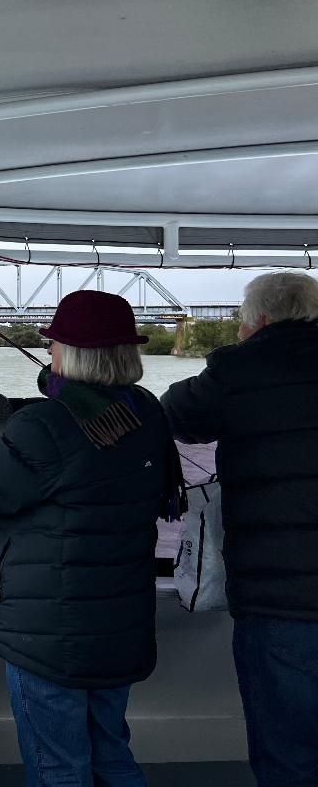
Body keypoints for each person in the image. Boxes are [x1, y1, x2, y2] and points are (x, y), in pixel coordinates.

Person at [0, 290, 182, 787]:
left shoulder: (49, 425)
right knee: (111, 754)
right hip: (119, 626)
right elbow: (79, 441)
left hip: (50, 638)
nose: (51, 354)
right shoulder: (143, 410)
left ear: (69, 354)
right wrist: (10, 412)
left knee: (59, 766)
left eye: (55, 345)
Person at [161, 272, 318, 787]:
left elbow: (176, 415)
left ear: (261, 320)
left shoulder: (239, 370)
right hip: (285, 599)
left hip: (281, 602)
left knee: (287, 753)